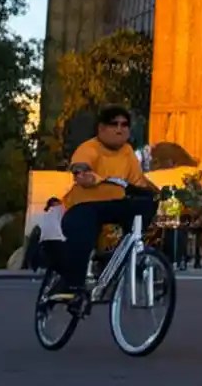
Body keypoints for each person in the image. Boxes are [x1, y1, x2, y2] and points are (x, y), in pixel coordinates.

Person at [54, 105, 158, 302]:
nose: (120, 129)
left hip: (114, 203)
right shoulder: (90, 147)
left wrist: (158, 193)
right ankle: (70, 285)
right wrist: (86, 175)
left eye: (125, 125)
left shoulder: (127, 152)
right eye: (114, 124)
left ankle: (120, 256)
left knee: (147, 204)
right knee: (83, 234)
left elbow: (138, 181)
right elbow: (81, 166)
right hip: (85, 205)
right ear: (101, 129)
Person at [37, 197, 66, 272]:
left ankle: (47, 270)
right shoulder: (59, 210)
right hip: (57, 238)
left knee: (50, 257)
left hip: (45, 238)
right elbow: (58, 224)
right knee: (58, 258)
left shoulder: (45, 213)